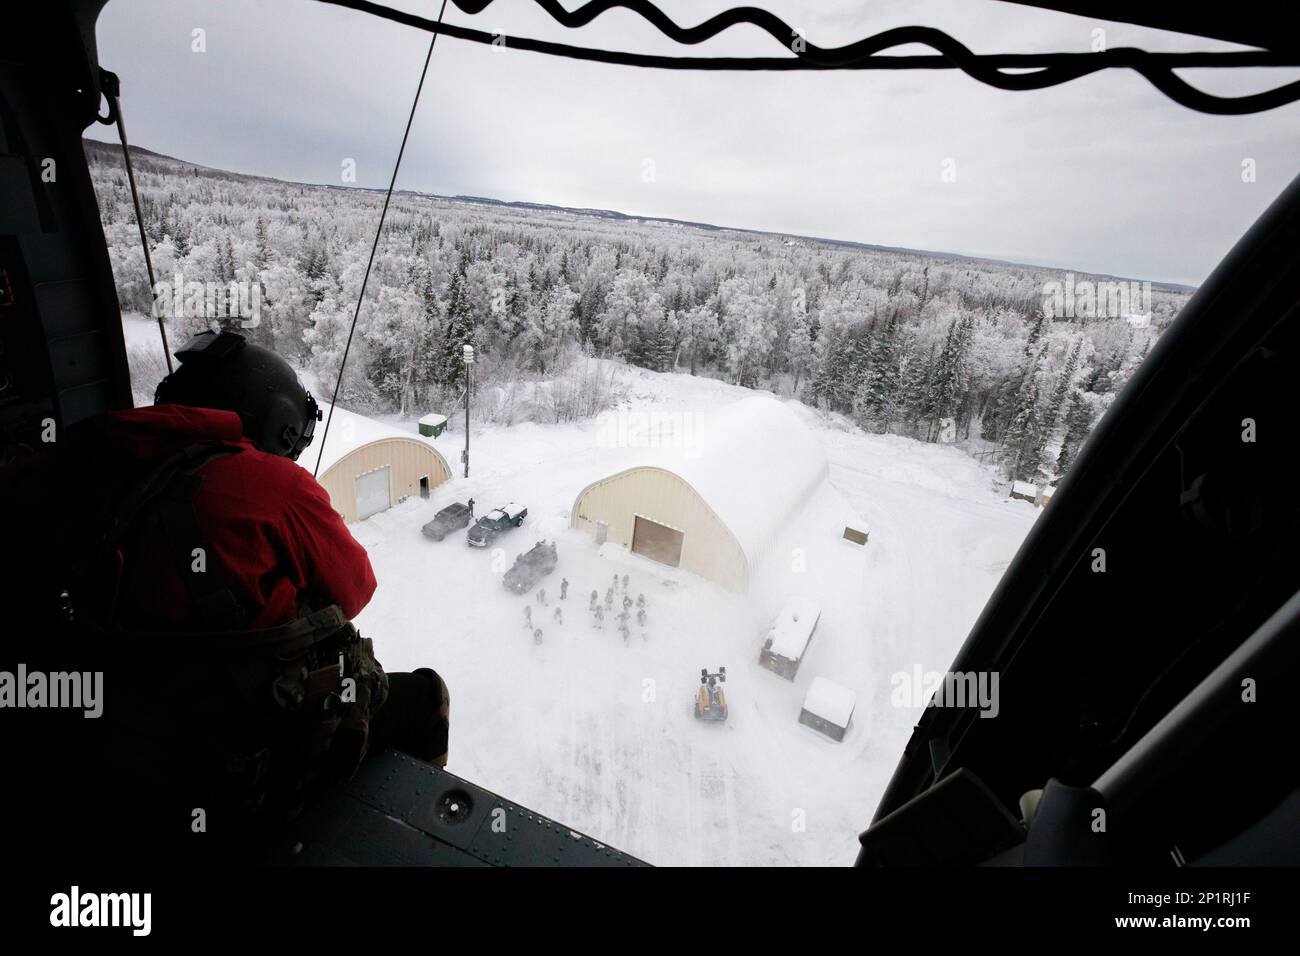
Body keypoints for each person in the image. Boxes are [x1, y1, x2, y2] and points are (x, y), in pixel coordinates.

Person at [2, 330, 450, 857]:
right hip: (216, 757)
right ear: (275, 423)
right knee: (425, 696)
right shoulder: (268, 482)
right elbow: (355, 589)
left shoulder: (64, 460)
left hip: (91, 749)